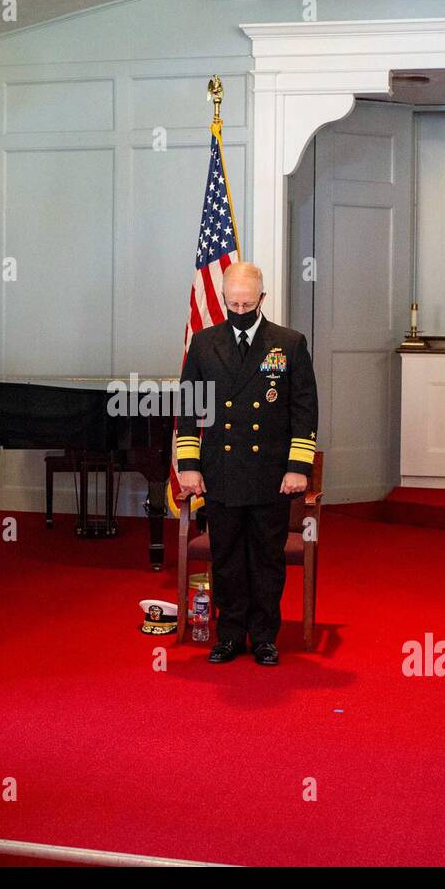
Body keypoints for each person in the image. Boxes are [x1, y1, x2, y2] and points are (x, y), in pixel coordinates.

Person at [175, 262, 319, 666]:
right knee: (227, 557)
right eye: (233, 302)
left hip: (270, 473)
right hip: (220, 471)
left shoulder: (288, 343)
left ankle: (264, 636)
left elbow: (304, 409)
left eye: (247, 302)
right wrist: (189, 464)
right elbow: (188, 408)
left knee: (266, 557)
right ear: (223, 298)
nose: (240, 309)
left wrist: (297, 466)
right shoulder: (204, 343)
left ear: (262, 299)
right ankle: (230, 633)